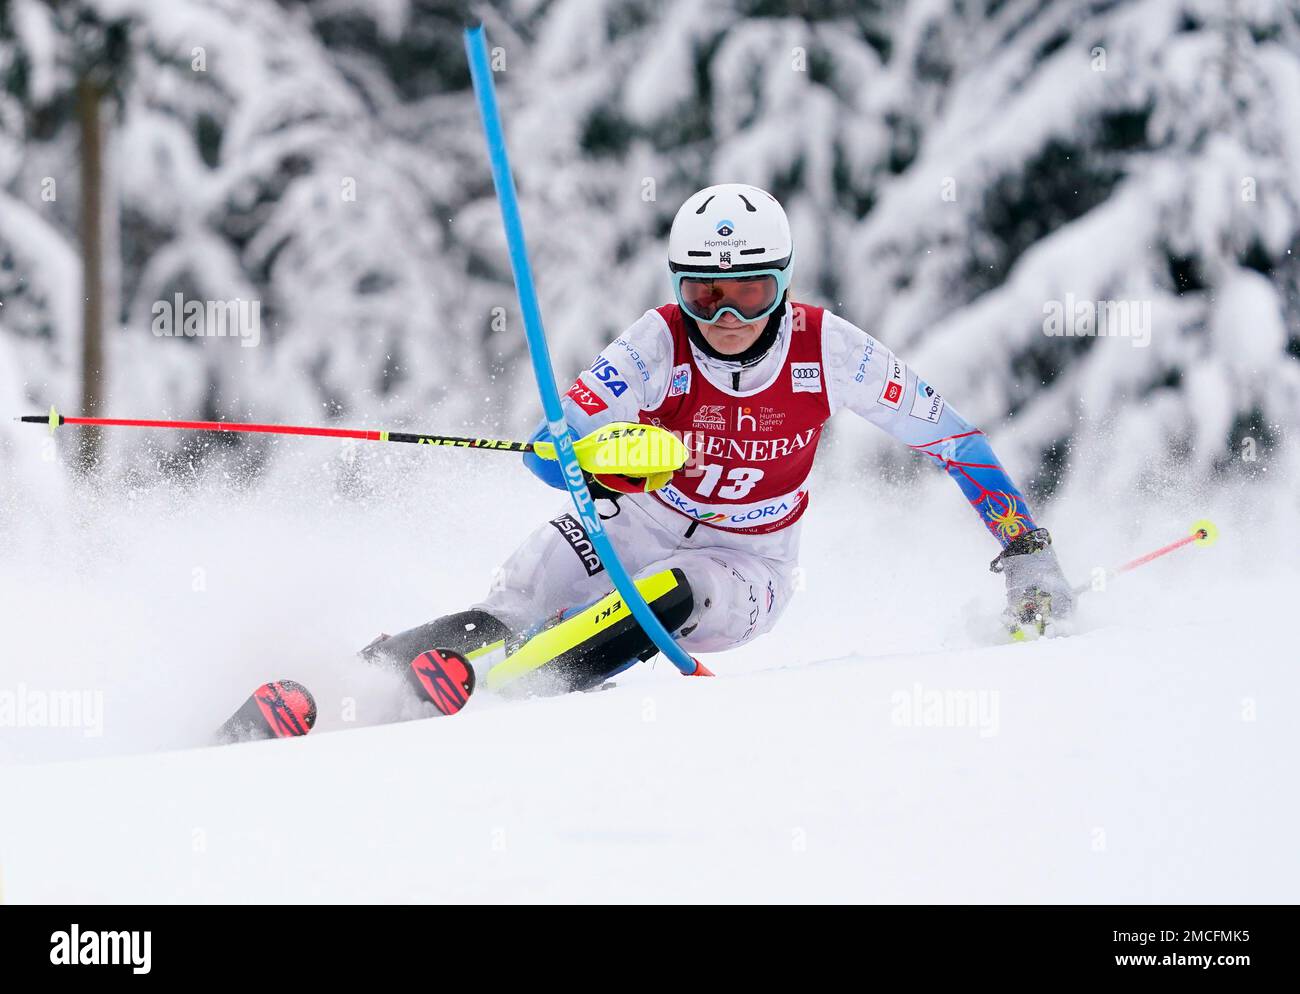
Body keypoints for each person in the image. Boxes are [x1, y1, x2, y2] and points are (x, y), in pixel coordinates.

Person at [366, 183, 1073, 701]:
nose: (728, 315)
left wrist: (1026, 552)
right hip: (635, 521)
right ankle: (370, 677)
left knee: (668, 593)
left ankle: (503, 691)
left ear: (784, 286)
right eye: (706, 296)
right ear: (680, 289)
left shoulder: (829, 349)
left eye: (752, 292)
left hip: (748, 562)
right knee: (517, 604)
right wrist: (587, 460)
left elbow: (955, 441)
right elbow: (549, 447)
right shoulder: (660, 339)